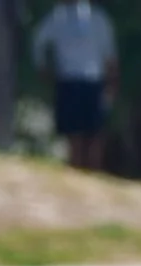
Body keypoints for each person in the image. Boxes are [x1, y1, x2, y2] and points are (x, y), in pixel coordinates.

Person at [31, 0, 117, 172]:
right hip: (69, 82)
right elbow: (38, 41)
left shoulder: (98, 19)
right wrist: (42, 67)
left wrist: (111, 85)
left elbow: (110, 56)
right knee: (74, 137)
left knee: (95, 138)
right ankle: (75, 174)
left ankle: (92, 176)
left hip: (93, 82)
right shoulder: (57, 18)